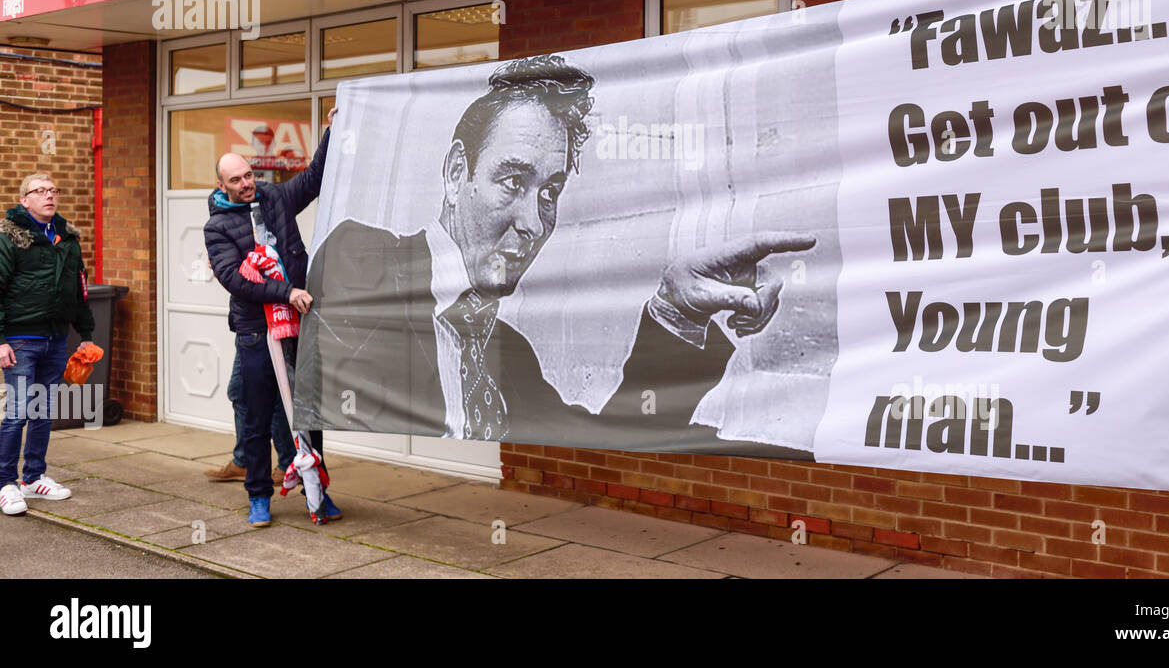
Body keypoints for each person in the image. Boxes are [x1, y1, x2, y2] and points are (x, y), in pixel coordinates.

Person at [300, 54, 814, 457]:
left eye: (550, 194)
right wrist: (349, 135)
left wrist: (676, 314)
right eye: (512, 180)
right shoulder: (363, 255)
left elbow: (617, 430)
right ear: (457, 173)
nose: (532, 222)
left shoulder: (507, 353)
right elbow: (340, 359)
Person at [204, 109, 339, 527]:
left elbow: (314, 179)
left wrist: (333, 131)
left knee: (308, 414)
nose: (246, 185)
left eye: (248, 175)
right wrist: (287, 291)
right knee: (258, 417)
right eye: (236, 181)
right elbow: (234, 280)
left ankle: (317, 493)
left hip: (297, 325)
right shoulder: (217, 227)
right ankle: (259, 497)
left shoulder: (275, 196)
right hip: (255, 332)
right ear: (221, 186)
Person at [0, 174, 95, 516]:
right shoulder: (10, 237)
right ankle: (5, 483)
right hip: (21, 340)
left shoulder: (66, 238)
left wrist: (85, 335)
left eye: (53, 190)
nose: (49, 196)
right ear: (24, 199)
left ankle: (33, 477)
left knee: (42, 411)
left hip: (56, 339)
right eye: (40, 191)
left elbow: (79, 288)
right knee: (18, 411)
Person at [203, 352, 296, 485]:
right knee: (239, 393)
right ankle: (244, 461)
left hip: (265, 336)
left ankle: (287, 464)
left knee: (274, 398)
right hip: (247, 336)